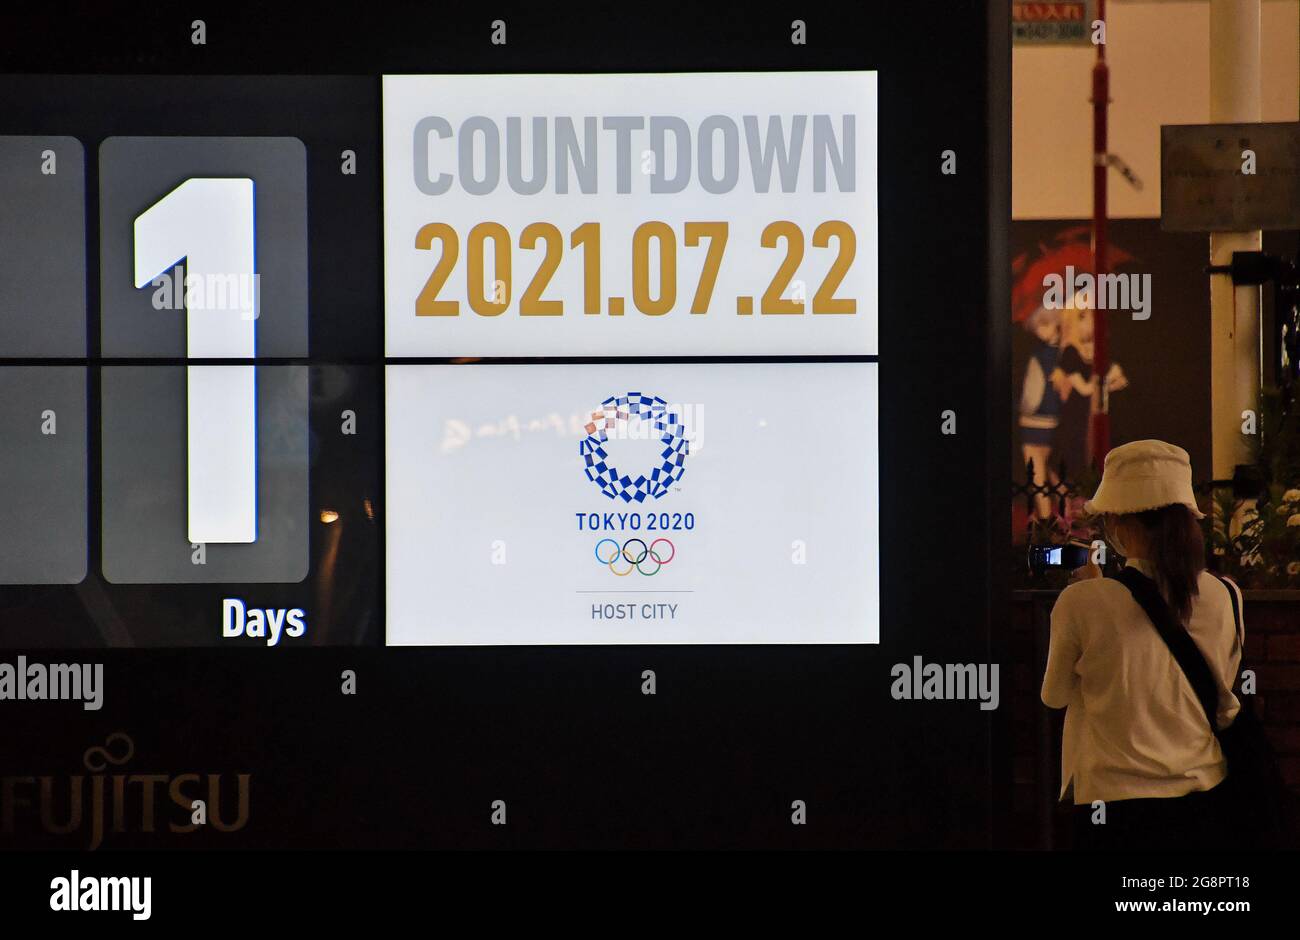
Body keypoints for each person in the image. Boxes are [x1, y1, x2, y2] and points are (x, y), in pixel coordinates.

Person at [1041, 440, 1242, 851]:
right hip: (1205, 801)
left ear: (1118, 522)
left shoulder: (1082, 602)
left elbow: (1054, 695)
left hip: (1113, 809)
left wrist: (1092, 596)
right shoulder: (1226, 595)